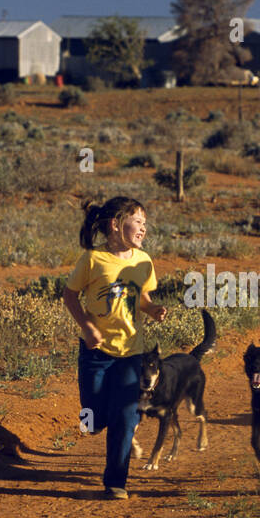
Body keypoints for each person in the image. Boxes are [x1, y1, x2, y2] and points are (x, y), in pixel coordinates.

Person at [62, 197, 167, 500]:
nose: (144, 228)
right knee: (93, 418)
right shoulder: (93, 260)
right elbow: (70, 296)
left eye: (145, 223)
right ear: (115, 225)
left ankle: (115, 482)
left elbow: (142, 298)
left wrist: (153, 309)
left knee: (124, 415)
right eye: (138, 221)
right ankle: (99, 420)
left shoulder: (143, 261)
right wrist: (87, 326)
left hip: (131, 354)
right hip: (95, 353)